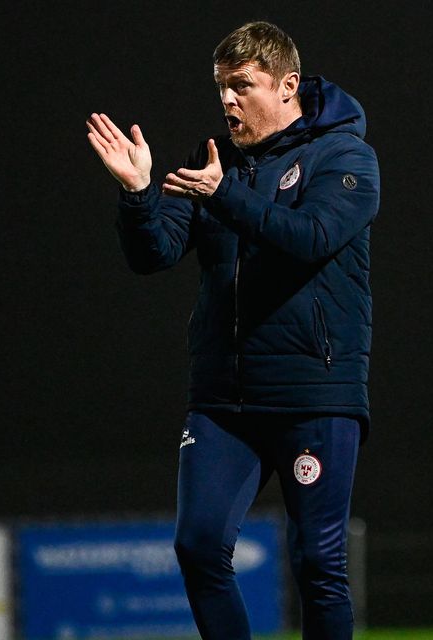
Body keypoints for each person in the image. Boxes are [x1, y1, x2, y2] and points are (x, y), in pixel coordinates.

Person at [87, 20, 380, 640]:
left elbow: (311, 240)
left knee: (319, 566)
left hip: (313, 390)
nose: (226, 100)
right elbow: (156, 252)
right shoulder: (211, 160)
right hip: (224, 397)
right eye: (221, 86)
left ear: (287, 85)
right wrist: (138, 195)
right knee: (197, 547)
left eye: (241, 85)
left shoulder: (345, 155)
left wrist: (225, 197)